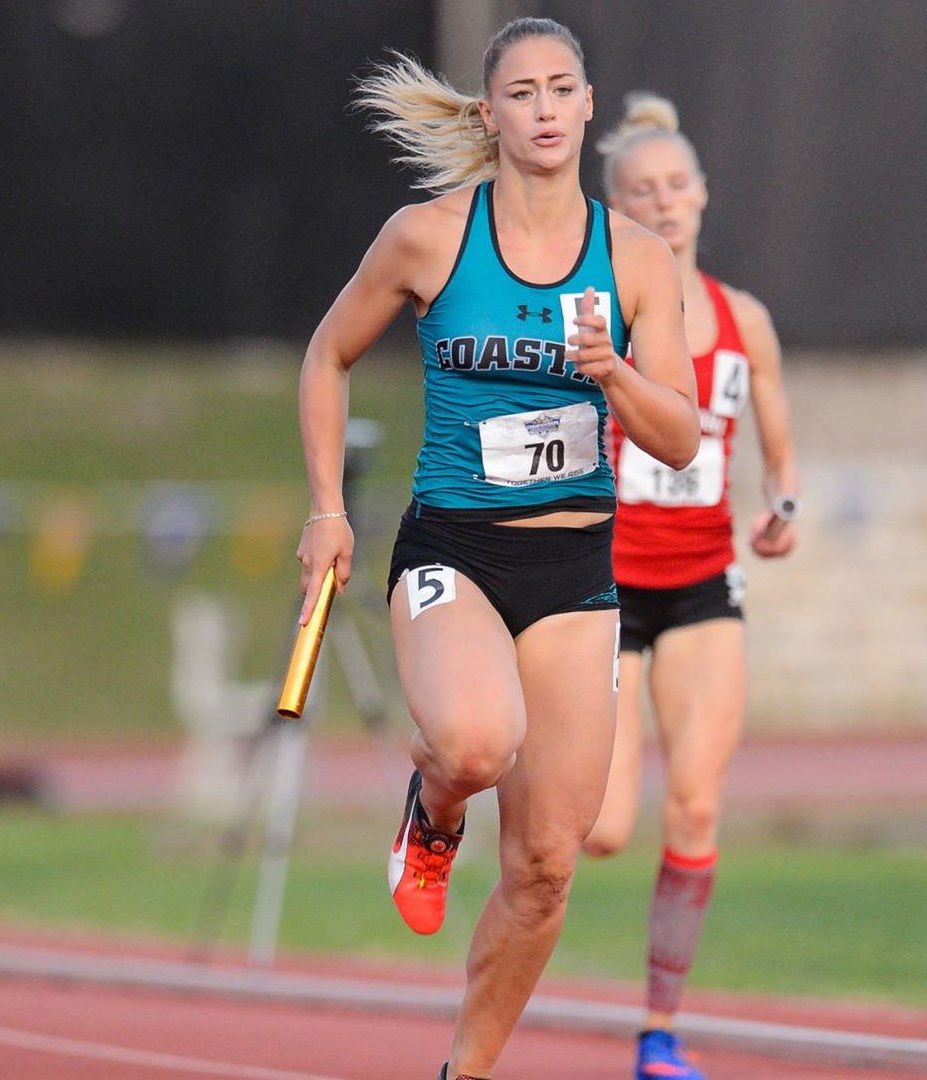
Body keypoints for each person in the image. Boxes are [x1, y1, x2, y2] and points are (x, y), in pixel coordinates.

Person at [294, 20, 699, 1080]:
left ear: (588, 104)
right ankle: (432, 817)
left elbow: (680, 437)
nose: (545, 108)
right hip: (456, 553)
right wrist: (328, 510)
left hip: (575, 572)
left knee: (548, 865)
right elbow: (328, 355)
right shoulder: (429, 237)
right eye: (523, 92)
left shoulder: (636, 259)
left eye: (563, 88)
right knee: (477, 745)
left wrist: (613, 374)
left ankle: (462, 1073)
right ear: (492, 114)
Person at [582, 92, 800, 1080]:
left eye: (677, 185)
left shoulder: (744, 320)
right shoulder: (596, 312)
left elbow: (778, 448)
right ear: (614, 207)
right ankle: (507, 756)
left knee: (697, 810)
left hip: (705, 583)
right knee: (603, 832)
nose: (664, 203)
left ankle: (659, 1030)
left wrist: (784, 505)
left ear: (703, 195)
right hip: (604, 588)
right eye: (643, 190)